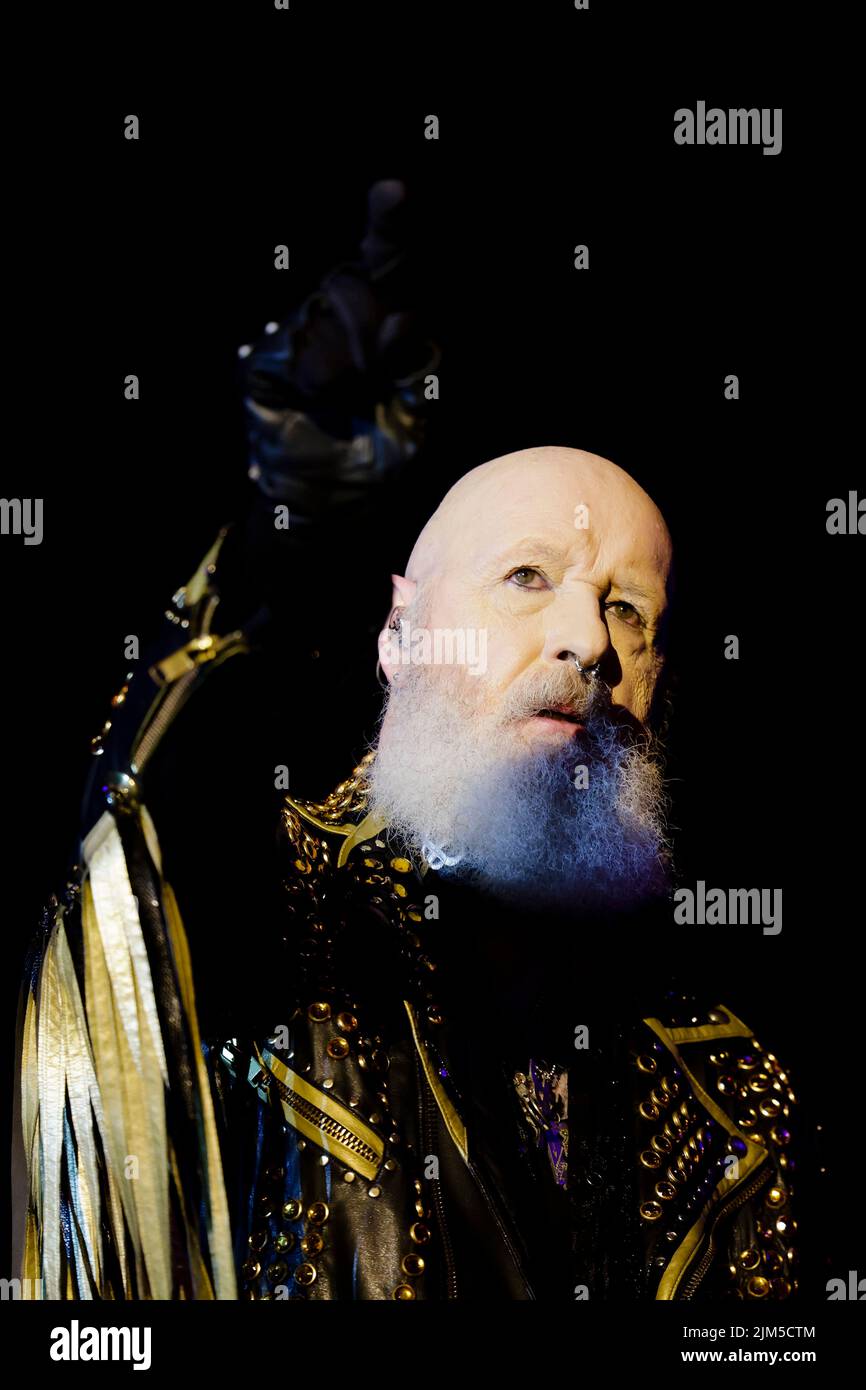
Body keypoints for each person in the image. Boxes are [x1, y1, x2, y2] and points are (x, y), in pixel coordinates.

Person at [12, 193, 801, 1302]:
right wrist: (276, 533)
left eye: (627, 610)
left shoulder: (726, 1083)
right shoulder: (264, 911)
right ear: (399, 630)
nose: (586, 642)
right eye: (524, 578)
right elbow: (139, 842)